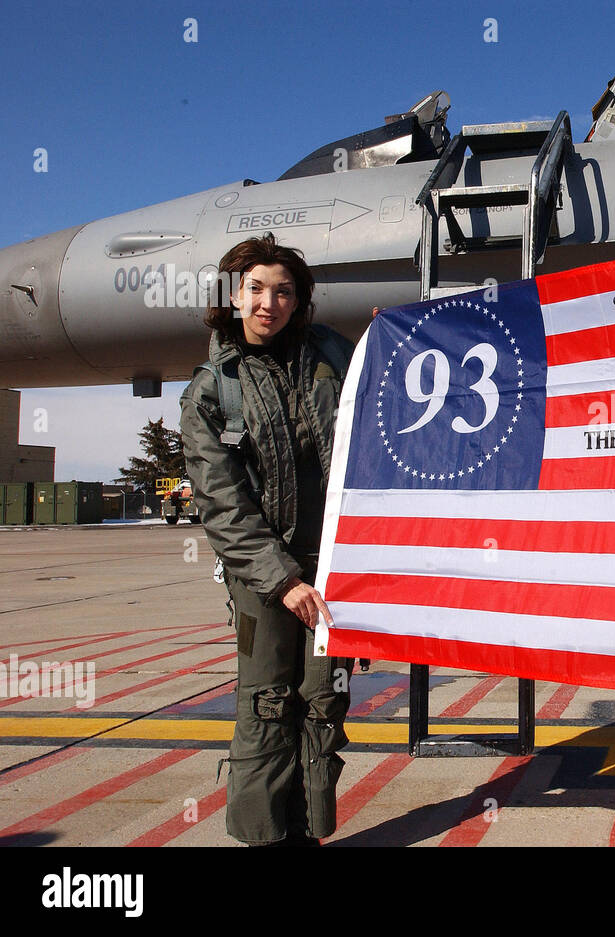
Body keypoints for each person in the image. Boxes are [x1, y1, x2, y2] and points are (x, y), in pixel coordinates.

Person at [181, 232, 355, 845]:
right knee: (267, 704)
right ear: (233, 295)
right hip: (266, 580)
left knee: (323, 702)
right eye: (256, 288)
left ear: (299, 301)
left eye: (283, 291)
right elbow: (223, 503)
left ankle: (309, 832)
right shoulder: (212, 390)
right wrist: (282, 579)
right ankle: (264, 838)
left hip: (332, 569)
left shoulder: (334, 358)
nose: (268, 303)